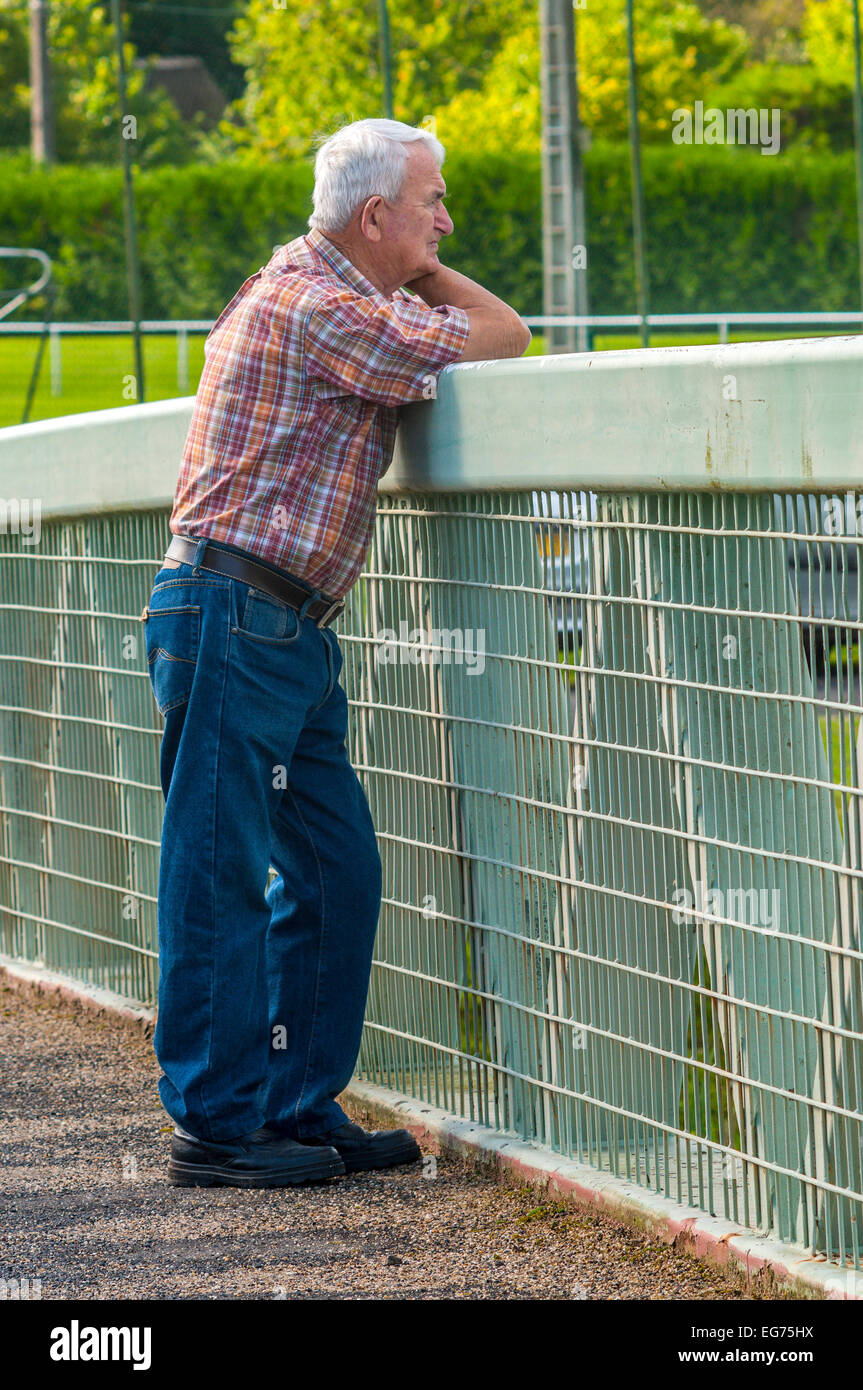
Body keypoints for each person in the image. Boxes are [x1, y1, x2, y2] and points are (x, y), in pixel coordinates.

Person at [142, 117, 530, 1188]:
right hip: (235, 615)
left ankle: (293, 1105)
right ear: (373, 216)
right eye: (431, 202)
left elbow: (472, 330)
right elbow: (506, 334)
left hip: (279, 625)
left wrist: (409, 262)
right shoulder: (320, 309)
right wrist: (430, 268)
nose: (446, 220)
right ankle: (218, 1128)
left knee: (334, 869)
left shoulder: (333, 297)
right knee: (218, 875)